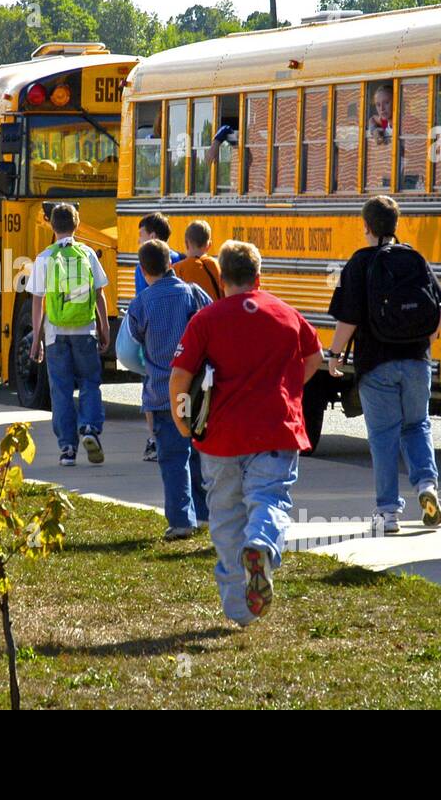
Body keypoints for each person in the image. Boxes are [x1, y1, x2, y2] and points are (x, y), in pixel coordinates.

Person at [170, 240, 323, 624]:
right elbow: (314, 357)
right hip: (276, 428)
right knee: (269, 498)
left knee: (224, 515)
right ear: (259, 276)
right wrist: (289, 388)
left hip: (221, 435)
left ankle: (240, 610)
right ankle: (261, 545)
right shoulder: (286, 314)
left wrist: (181, 420)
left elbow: (180, 375)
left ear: (222, 279)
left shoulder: (206, 319)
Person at [325, 196, 441, 534]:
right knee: (418, 425)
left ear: (366, 227)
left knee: (382, 437)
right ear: (396, 224)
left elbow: (347, 320)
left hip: (376, 364)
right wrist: (428, 337)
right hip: (416, 361)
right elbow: (439, 305)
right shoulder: (414, 257)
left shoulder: (359, 263)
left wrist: (334, 356)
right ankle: (427, 486)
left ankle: (388, 513)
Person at [128, 238, 211, 539]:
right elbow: (211, 320)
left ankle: (180, 520)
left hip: (163, 394)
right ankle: (204, 514)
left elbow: (132, 342)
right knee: (199, 452)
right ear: (171, 263)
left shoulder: (141, 303)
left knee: (173, 458)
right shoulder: (192, 293)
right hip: (197, 391)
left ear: (142, 269)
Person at [28, 202, 110, 467]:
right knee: (90, 382)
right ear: (77, 225)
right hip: (85, 330)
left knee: (61, 390)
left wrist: (36, 340)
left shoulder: (44, 258)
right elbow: (99, 294)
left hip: (55, 336)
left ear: (52, 226)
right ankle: (89, 428)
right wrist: (104, 328)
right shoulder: (87, 253)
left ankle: (67, 449)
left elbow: (38, 302)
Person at [135, 211, 181, 462]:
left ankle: (153, 439)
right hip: (179, 334)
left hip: (154, 335)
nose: (139, 241)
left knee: (151, 388)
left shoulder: (143, 264)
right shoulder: (179, 259)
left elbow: (141, 300)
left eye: (141, 236)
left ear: (152, 235)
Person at [173, 219, 224, 302]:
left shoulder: (178, 269)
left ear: (186, 243)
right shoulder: (218, 266)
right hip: (217, 313)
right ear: (209, 245)